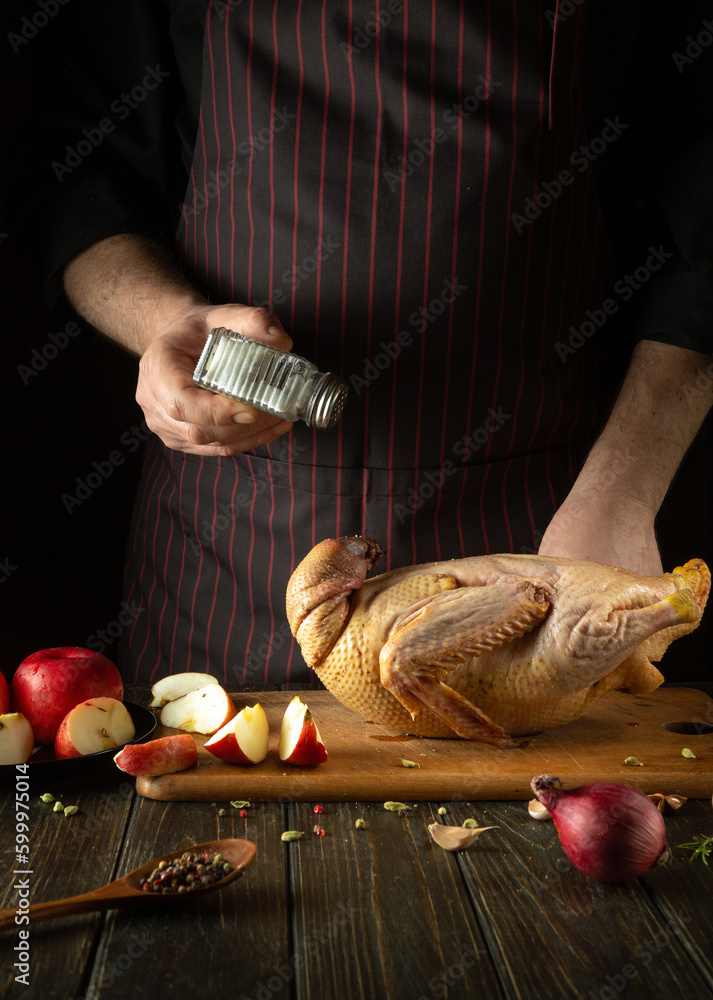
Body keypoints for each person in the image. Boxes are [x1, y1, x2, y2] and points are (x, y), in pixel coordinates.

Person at [14, 0, 713, 685]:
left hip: (541, 533)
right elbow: (82, 176)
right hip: (232, 544)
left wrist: (621, 496)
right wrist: (164, 322)